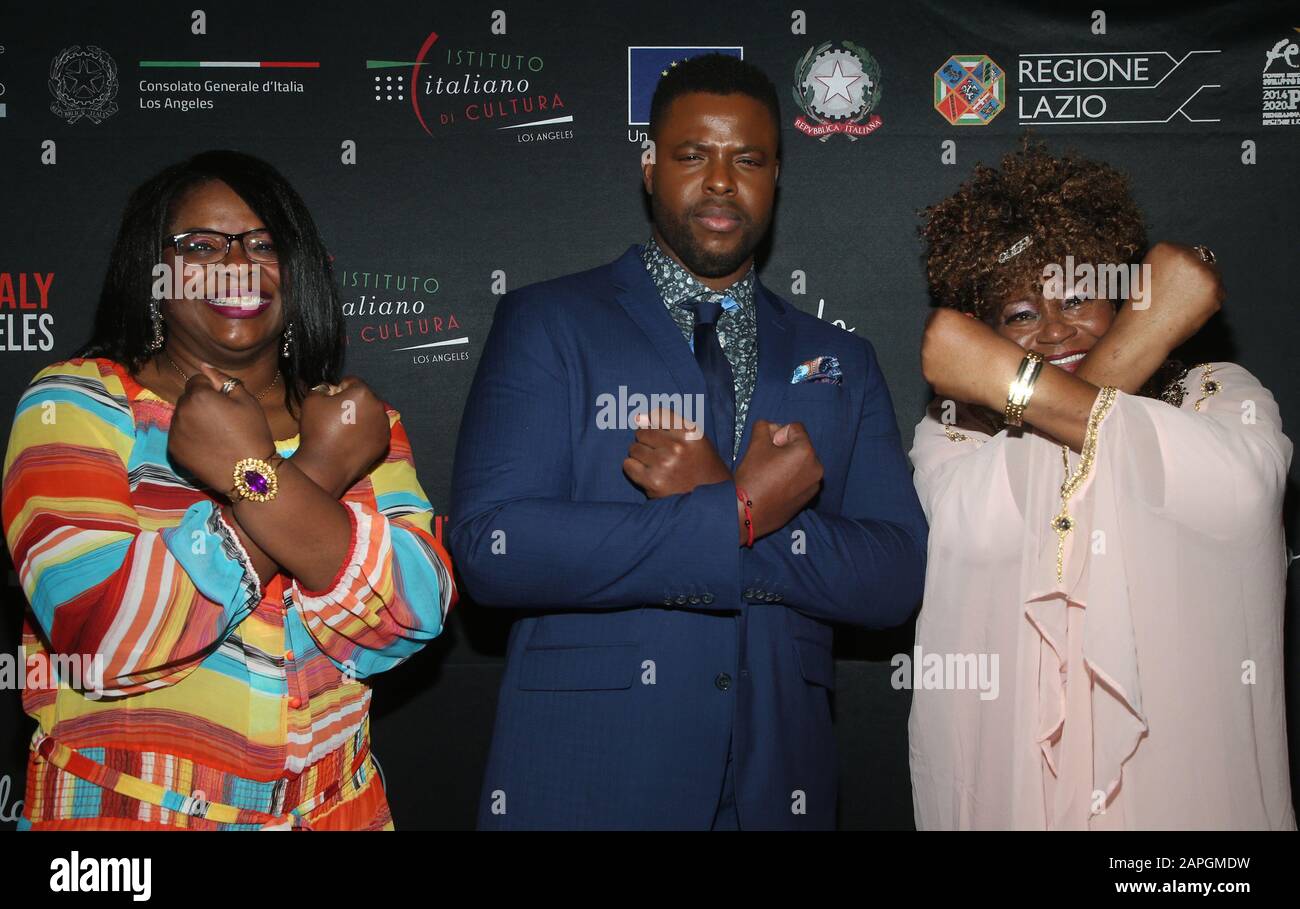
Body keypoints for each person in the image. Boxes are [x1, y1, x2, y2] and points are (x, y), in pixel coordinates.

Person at [450, 53, 927, 830]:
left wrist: (725, 505)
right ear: (650, 168)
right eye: (693, 155)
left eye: (749, 159)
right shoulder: (549, 323)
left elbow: (894, 576)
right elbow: (493, 547)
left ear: (777, 176)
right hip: (592, 779)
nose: (721, 182)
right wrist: (734, 513)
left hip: (779, 784)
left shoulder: (841, 358)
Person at [1, 150, 454, 830]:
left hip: (338, 811)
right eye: (200, 245)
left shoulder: (358, 421)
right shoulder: (77, 403)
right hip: (128, 821)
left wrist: (265, 471)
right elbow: (100, 637)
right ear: (151, 272)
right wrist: (316, 471)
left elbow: (411, 614)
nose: (237, 263)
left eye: (263, 244)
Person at [908, 139, 1294, 830]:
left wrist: (1019, 383)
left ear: (1119, 298)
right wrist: (1148, 331)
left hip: (1180, 766)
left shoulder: (1215, 393)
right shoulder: (955, 432)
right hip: (1022, 783)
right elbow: (996, 512)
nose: (1056, 330)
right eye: (1020, 314)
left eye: (1078, 298)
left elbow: (1241, 491)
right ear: (988, 333)